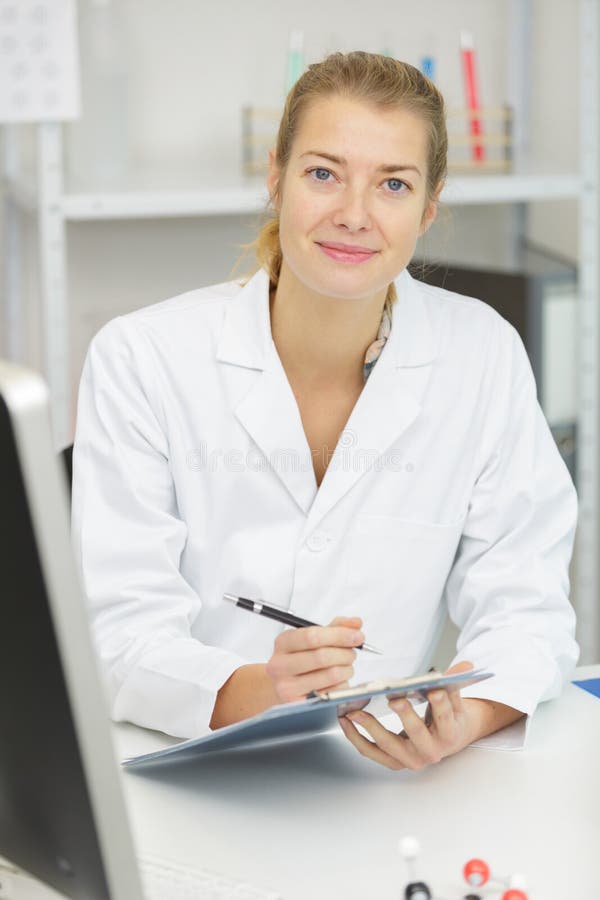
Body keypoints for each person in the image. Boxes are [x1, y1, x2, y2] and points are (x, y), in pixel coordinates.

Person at [71, 52, 578, 771]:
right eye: (323, 173)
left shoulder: (482, 354)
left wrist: (467, 715)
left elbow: (526, 605)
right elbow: (117, 633)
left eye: (393, 184)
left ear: (428, 208)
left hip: (382, 778)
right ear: (276, 177)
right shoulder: (142, 357)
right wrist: (259, 688)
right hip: (182, 764)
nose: (353, 215)